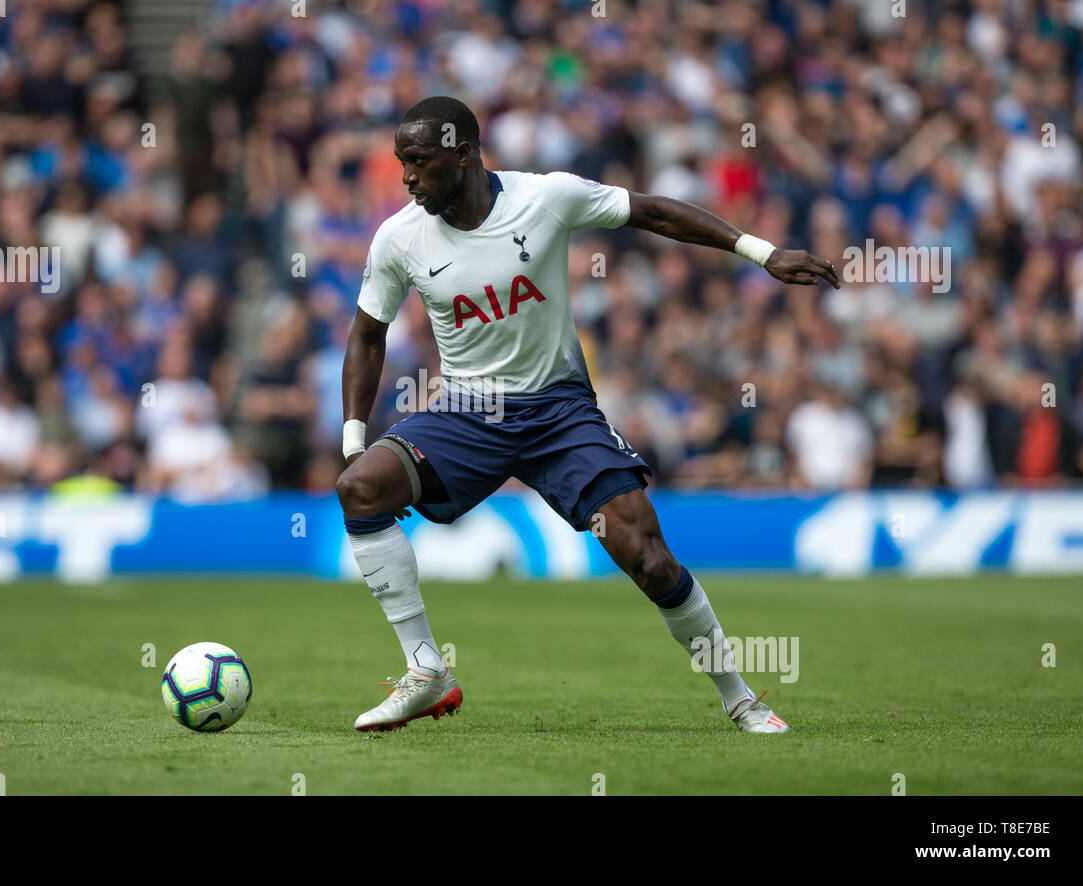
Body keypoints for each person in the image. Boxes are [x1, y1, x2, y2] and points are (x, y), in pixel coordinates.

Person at [335, 97, 839, 733]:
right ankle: (427, 670)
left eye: (419, 162)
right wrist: (354, 436)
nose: (406, 177)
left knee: (649, 557)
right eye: (402, 162)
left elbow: (651, 212)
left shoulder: (547, 197)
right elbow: (367, 334)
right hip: (467, 411)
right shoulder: (398, 237)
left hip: (557, 411)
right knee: (359, 487)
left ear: (463, 154)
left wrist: (762, 253)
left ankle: (740, 698)